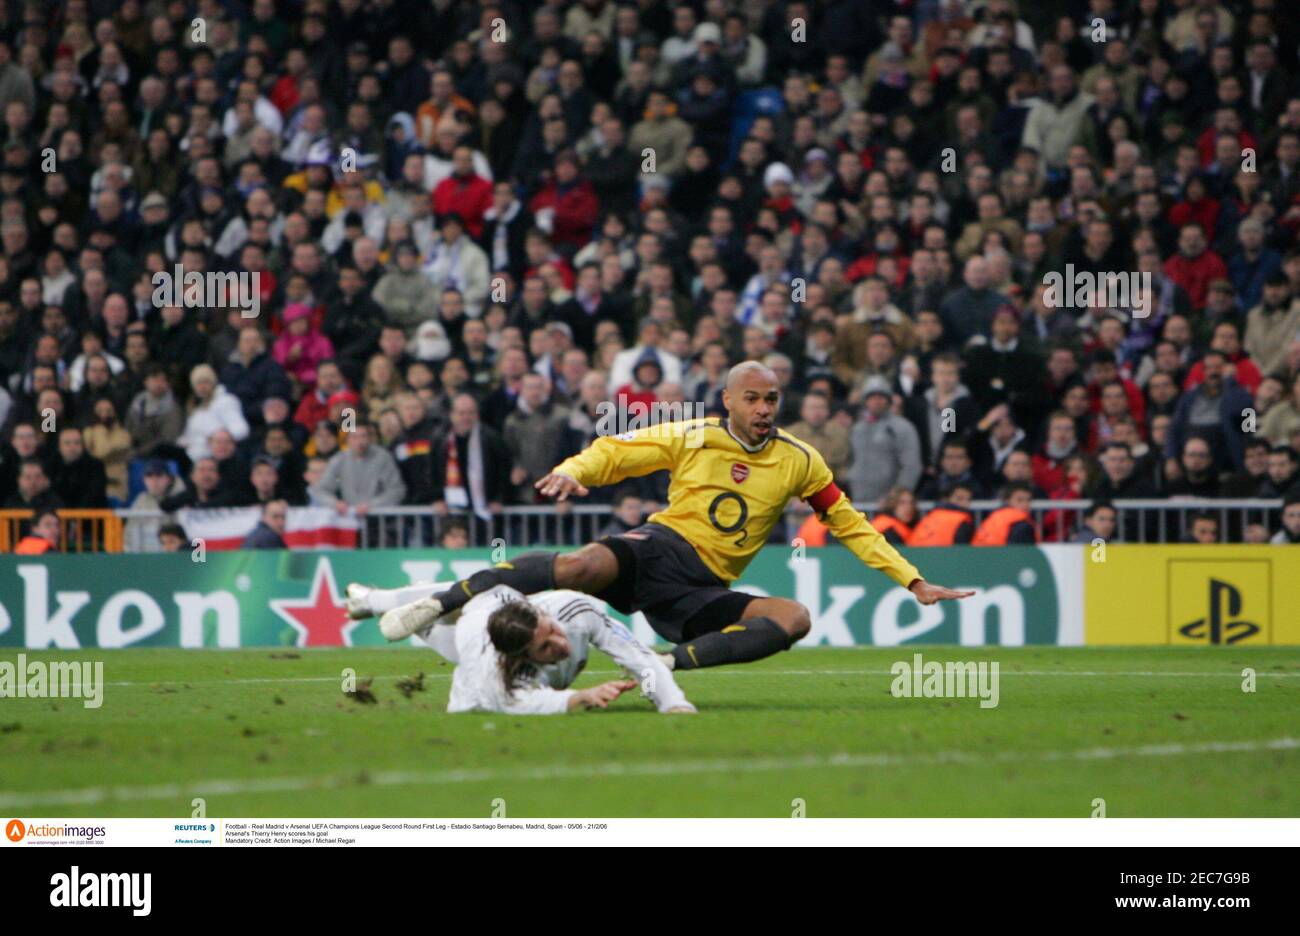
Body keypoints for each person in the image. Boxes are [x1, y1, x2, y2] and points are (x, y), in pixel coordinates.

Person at [372, 362, 972, 670]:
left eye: (772, 400)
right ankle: (440, 602)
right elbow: (621, 451)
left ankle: (660, 666)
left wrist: (912, 581)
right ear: (729, 400)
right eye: (753, 399)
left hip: (700, 591)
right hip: (658, 547)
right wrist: (577, 470)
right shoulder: (694, 435)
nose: (765, 409)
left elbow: (851, 524)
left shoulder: (801, 462)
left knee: (794, 617)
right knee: (582, 566)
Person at [343, 582, 694, 715]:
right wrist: (578, 698)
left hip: (491, 603)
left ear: (542, 613)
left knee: (459, 592)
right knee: (471, 702)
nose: (561, 643)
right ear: (521, 656)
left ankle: (374, 599)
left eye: (553, 632)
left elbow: (639, 657)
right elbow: (511, 702)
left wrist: (673, 704)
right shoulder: (489, 664)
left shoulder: (574, 609)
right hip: (469, 643)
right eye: (545, 647)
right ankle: (397, 610)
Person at [972, 483, 1038, 545]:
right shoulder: (1022, 525)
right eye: (1019, 500)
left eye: (1028, 500)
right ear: (1007, 501)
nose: (1025, 504)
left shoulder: (994, 517)